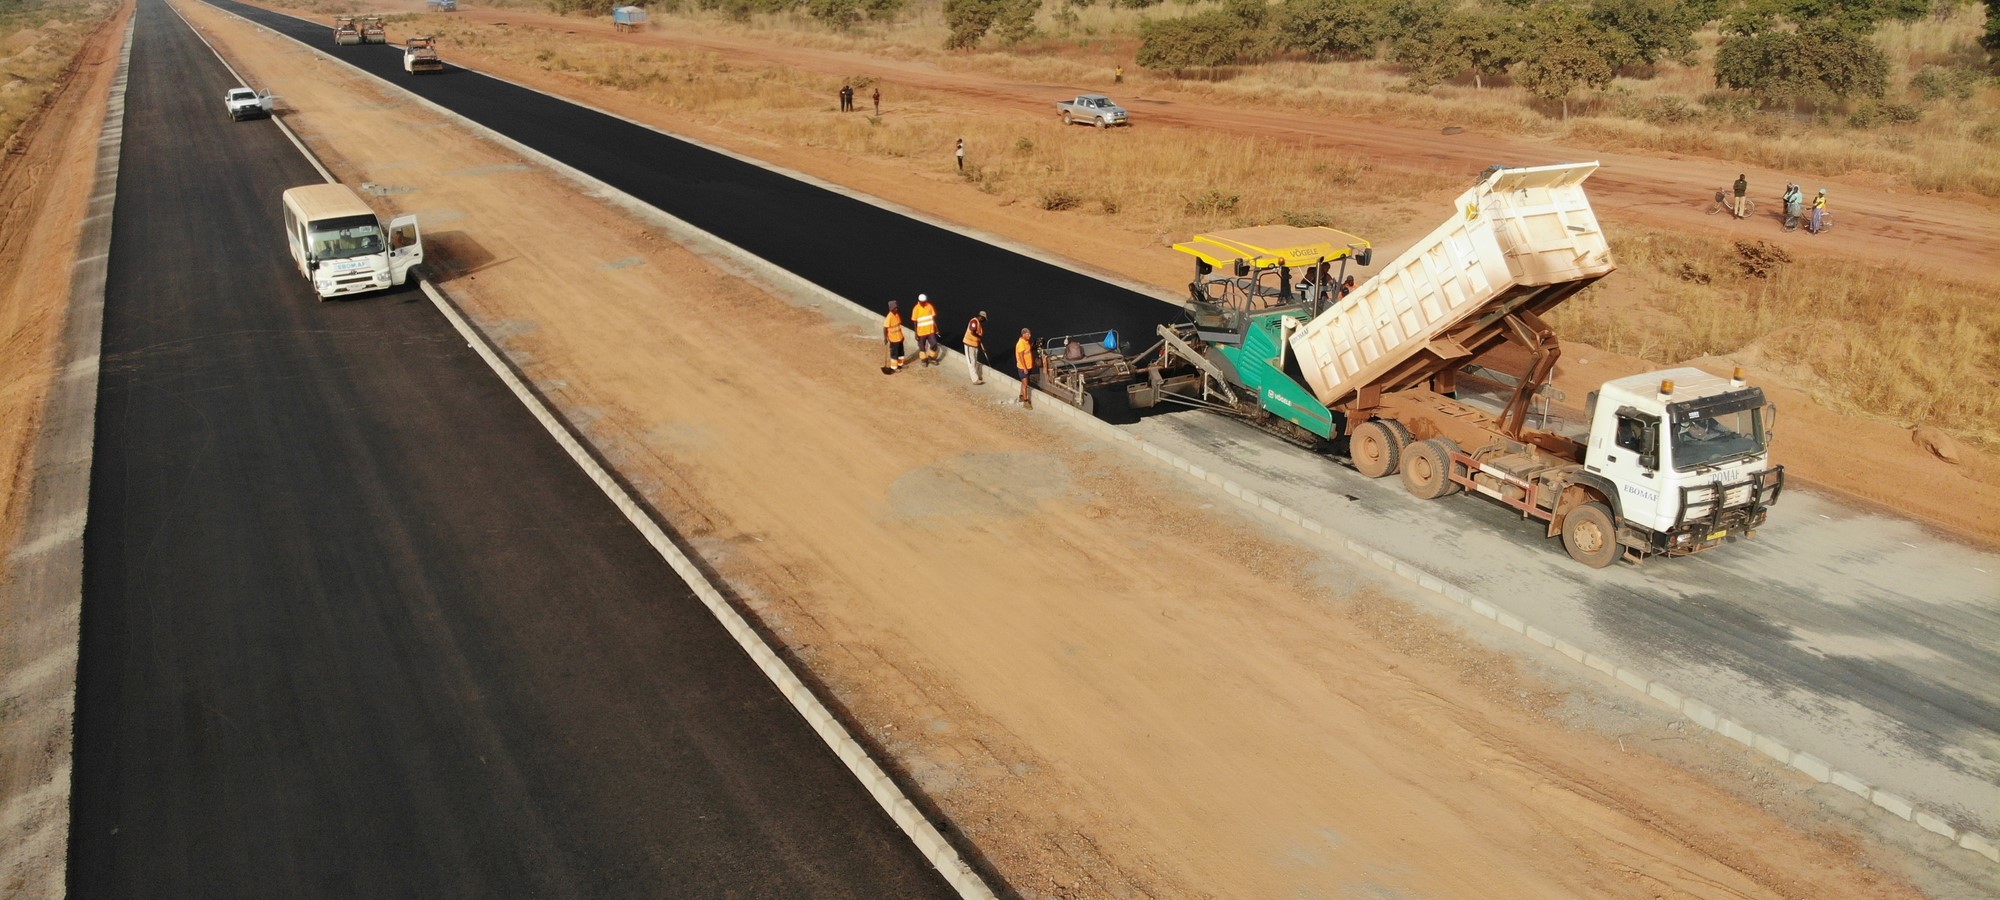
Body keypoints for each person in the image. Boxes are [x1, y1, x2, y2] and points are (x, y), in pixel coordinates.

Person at [911, 293, 940, 366]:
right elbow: (915, 321)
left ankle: (931, 358)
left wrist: (936, 328)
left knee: (934, 344)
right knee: (922, 347)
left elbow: (933, 319)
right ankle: (924, 360)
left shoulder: (929, 306)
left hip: (930, 331)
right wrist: (916, 333)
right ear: (919, 301)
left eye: (924, 302)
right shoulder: (916, 309)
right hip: (921, 332)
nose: (924, 303)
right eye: (922, 302)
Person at [962, 310, 987, 384]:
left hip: (975, 345)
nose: (984, 321)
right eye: (984, 319)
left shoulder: (979, 324)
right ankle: (975, 379)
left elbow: (979, 337)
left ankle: (974, 376)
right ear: (981, 317)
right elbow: (973, 332)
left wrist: (983, 347)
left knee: (974, 361)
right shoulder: (974, 321)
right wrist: (978, 336)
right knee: (971, 362)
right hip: (969, 344)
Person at [883, 300, 906, 371]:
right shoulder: (889, 317)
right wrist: (885, 338)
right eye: (895, 308)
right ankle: (893, 367)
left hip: (899, 338)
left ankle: (900, 364)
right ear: (891, 309)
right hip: (893, 339)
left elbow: (898, 326)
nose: (897, 309)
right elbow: (885, 328)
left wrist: (902, 337)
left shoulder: (896, 315)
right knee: (894, 353)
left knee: (901, 352)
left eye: (897, 308)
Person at [1015, 327, 1036, 408]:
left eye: (1030, 334)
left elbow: (1028, 350)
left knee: (1024, 383)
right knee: (1025, 384)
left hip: (1028, 366)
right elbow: (1021, 357)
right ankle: (1026, 401)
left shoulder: (1026, 341)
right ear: (1023, 334)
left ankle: (1021, 396)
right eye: (1028, 334)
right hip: (1023, 368)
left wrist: (1033, 346)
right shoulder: (1020, 344)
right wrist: (1025, 368)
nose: (1030, 335)